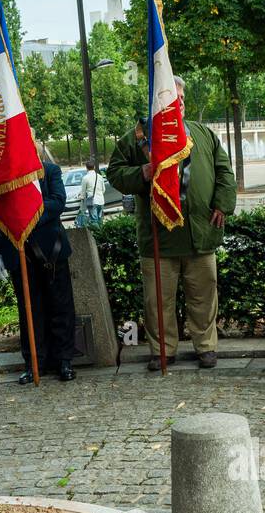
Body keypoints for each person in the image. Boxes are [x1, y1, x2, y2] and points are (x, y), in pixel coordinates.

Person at [108, 75, 236, 370]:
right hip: (159, 238)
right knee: (158, 301)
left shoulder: (203, 134)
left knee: (204, 295)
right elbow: (115, 175)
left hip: (200, 234)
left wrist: (222, 204)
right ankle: (162, 350)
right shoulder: (137, 138)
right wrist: (143, 171)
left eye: (180, 99)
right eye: (170, 98)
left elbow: (224, 172)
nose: (177, 103)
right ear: (157, 103)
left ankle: (206, 347)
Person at [0, 135, 76, 384]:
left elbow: (58, 202)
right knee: (29, 312)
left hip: (52, 252)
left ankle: (64, 361)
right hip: (17, 253)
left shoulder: (49, 171)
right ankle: (34, 361)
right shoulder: (1, 179)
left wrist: (27, 211)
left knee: (60, 308)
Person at [80, 160, 106, 225]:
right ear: (94, 167)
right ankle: (101, 234)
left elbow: (83, 192)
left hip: (92, 201)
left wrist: (81, 197)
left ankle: (96, 234)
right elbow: (103, 189)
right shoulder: (100, 177)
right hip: (101, 200)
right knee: (100, 219)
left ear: (86, 168)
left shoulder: (85, 178)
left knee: (94, 220)